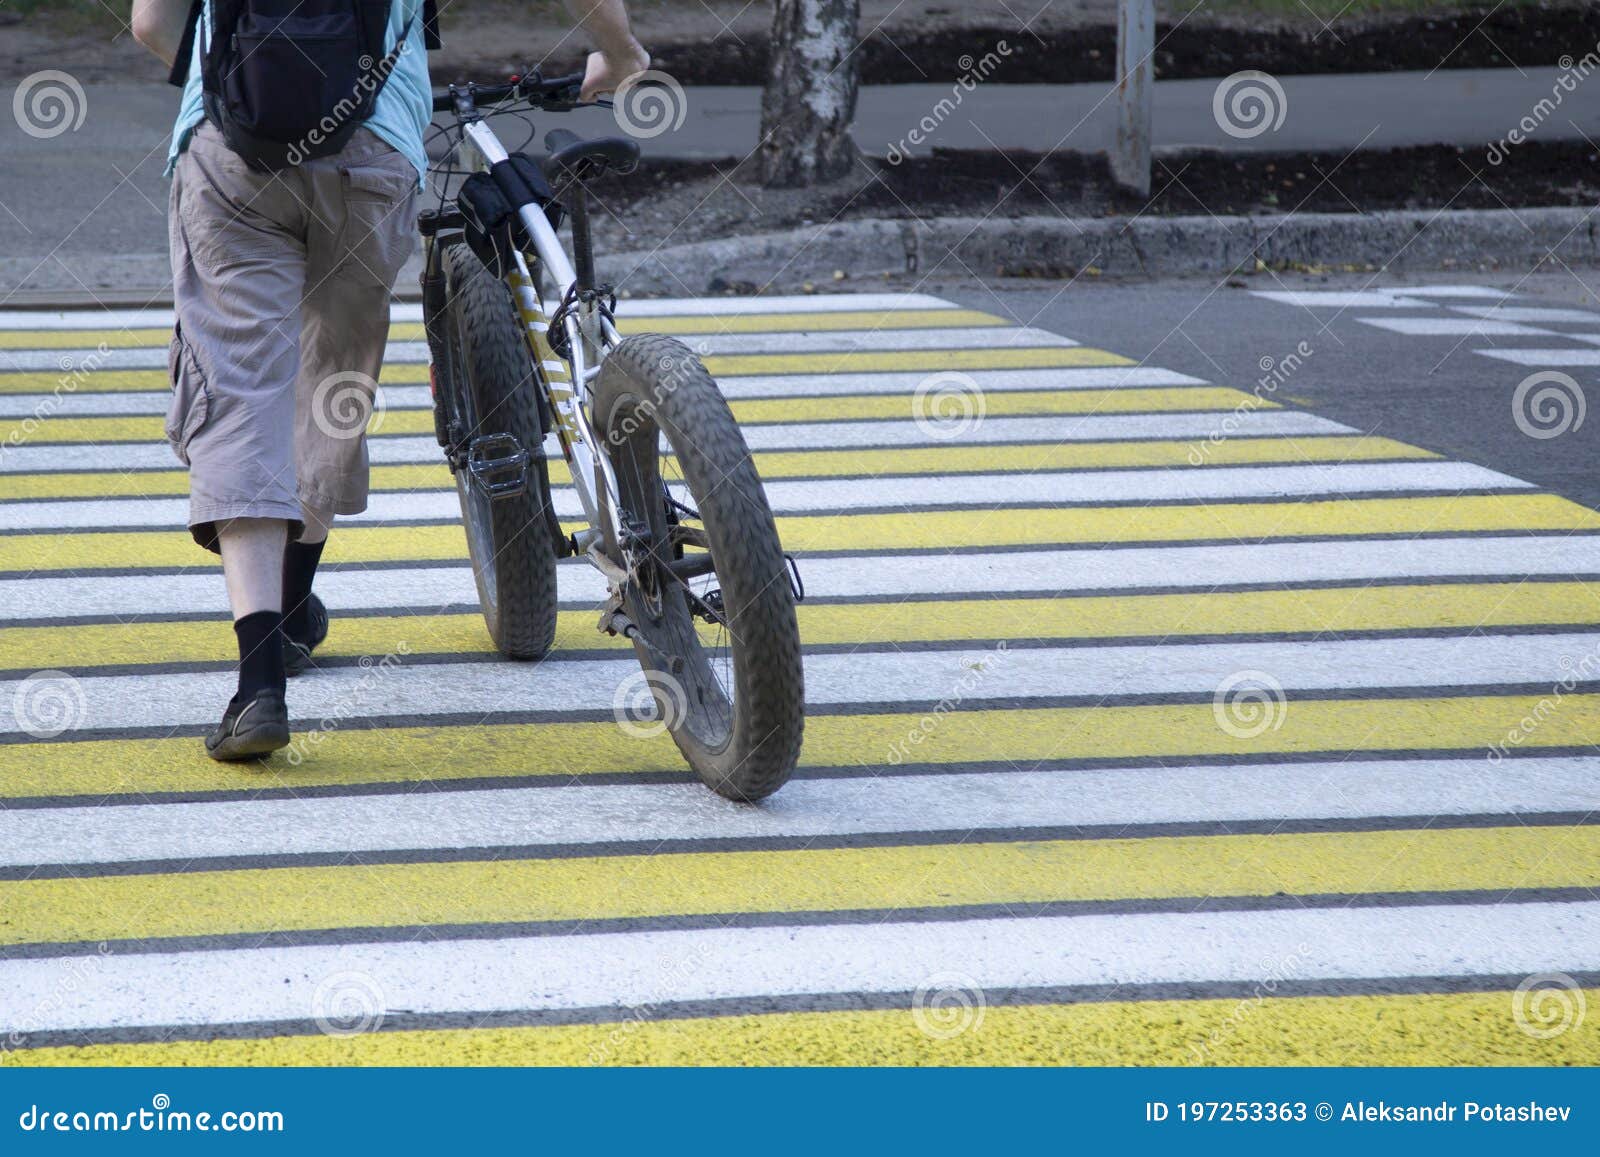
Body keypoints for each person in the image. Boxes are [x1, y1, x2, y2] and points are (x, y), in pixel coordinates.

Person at [130, 0, 649, 760]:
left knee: (239, 392)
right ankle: (293, 601)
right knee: (332, 378)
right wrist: (619, 52)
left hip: (231, 156)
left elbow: (151, 25)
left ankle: (259, 682)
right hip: (371, 151)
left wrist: (250, 86)